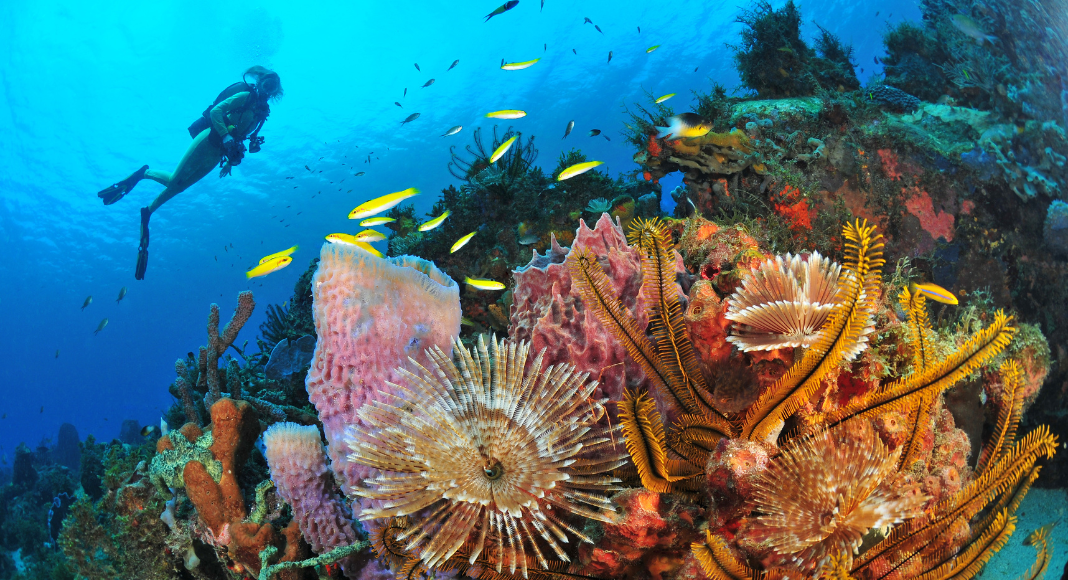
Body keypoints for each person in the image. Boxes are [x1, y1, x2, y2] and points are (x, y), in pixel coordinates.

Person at [97, 66, 283, 280]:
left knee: (179, 187)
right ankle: (144, 173)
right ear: (260, 82)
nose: (268, 89)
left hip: (217, 155)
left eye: (273, 88)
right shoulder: (245, 96)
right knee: (174, 180)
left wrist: (230, 162)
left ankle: (148, 211)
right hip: (208, 139)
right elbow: (216, 112)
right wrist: (226, 136)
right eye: (267, 84)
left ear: (275, 92)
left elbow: (241, 138)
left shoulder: (261, 115)